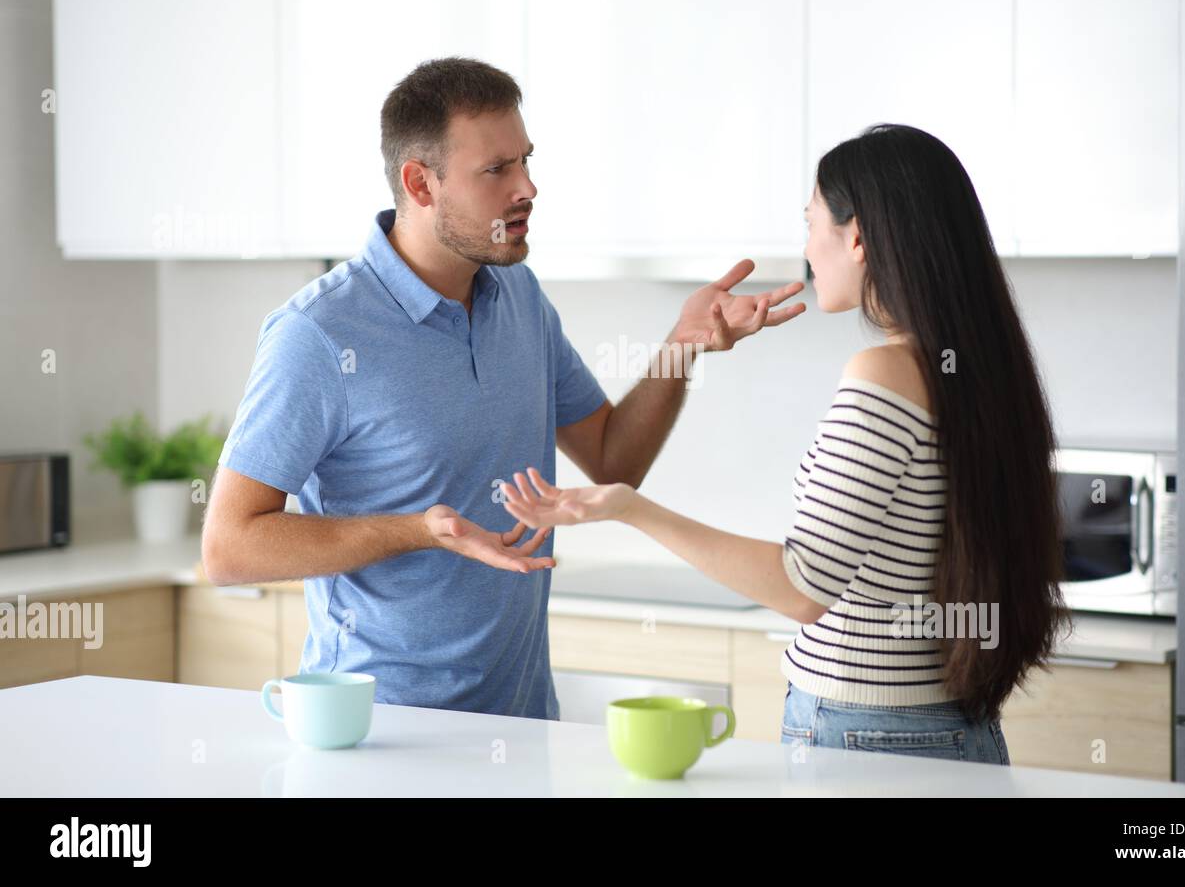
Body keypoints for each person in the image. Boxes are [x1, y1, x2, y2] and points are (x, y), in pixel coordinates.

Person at [200, 57, 805, 719]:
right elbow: (229, 547)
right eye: (496, 170)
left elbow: (612, 458)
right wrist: (419, 530)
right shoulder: (318, 333)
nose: (527, 188)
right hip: (387, 732)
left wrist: (681, 348)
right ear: (420, 184)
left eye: (525, 161)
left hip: (521, 727)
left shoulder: (518, 294)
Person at [499, 124, 1073, 764]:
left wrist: (629, 507)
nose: (805, 250)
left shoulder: (884, 374)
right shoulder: (976, 369)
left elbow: (802, 587)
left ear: (857, 238)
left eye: (810, 224)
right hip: (953, 727)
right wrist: (686, 343)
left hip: (864, 734)